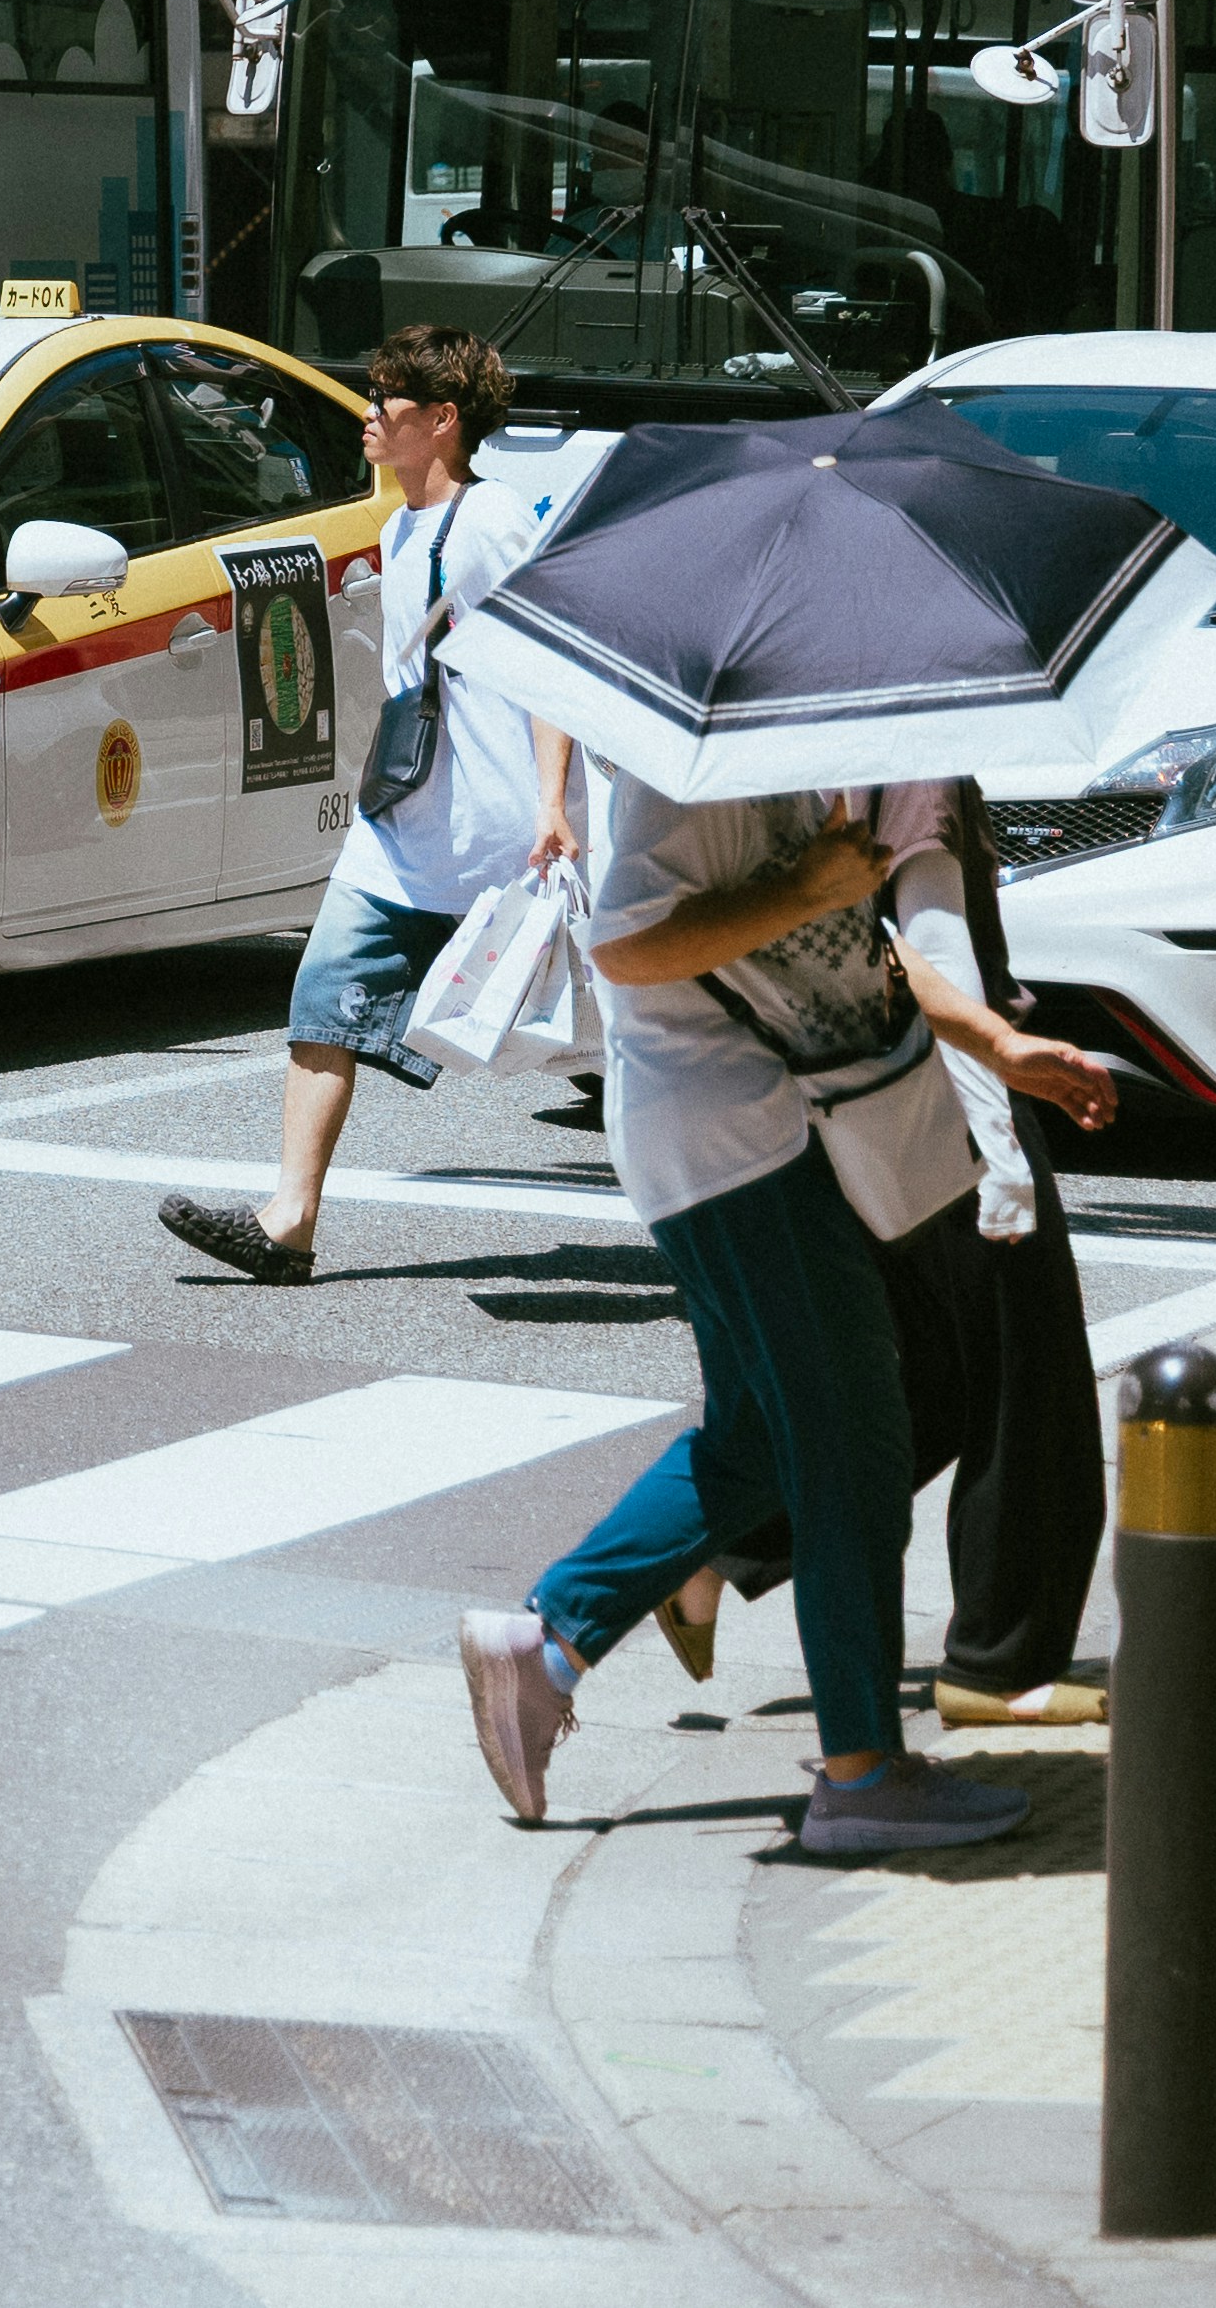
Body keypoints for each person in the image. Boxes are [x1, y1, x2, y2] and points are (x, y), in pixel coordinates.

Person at [454, 776, 1034, 1856]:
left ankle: (546, 1641)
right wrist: (809, 883)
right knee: (853, 1441)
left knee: (761, 1437)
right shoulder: (686, 775)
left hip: (747, 1130)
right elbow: (622, 945)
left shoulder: (785, 744)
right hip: (729, 1144)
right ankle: (859, 1770)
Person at [696, 781, 1130, 1726]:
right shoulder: (910, 730)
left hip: (848, 1094)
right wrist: (1000, 1124)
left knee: (924, 1380)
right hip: (942, 1096)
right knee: (1031, 1381)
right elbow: (929, 936)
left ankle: (712, 1542)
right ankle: (999, 1661)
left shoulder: (822, 714)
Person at [157, 324, 579, 1285]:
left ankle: (725, 1213)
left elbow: (551, 666)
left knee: (598, 1041)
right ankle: (287, 1222)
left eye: (388, 398)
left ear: (443, 420)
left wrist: (554, 805)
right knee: (320, 996)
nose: (368, 411)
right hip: (403, 827)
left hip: (501, 833)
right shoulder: (396, 526)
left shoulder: (492, 522)